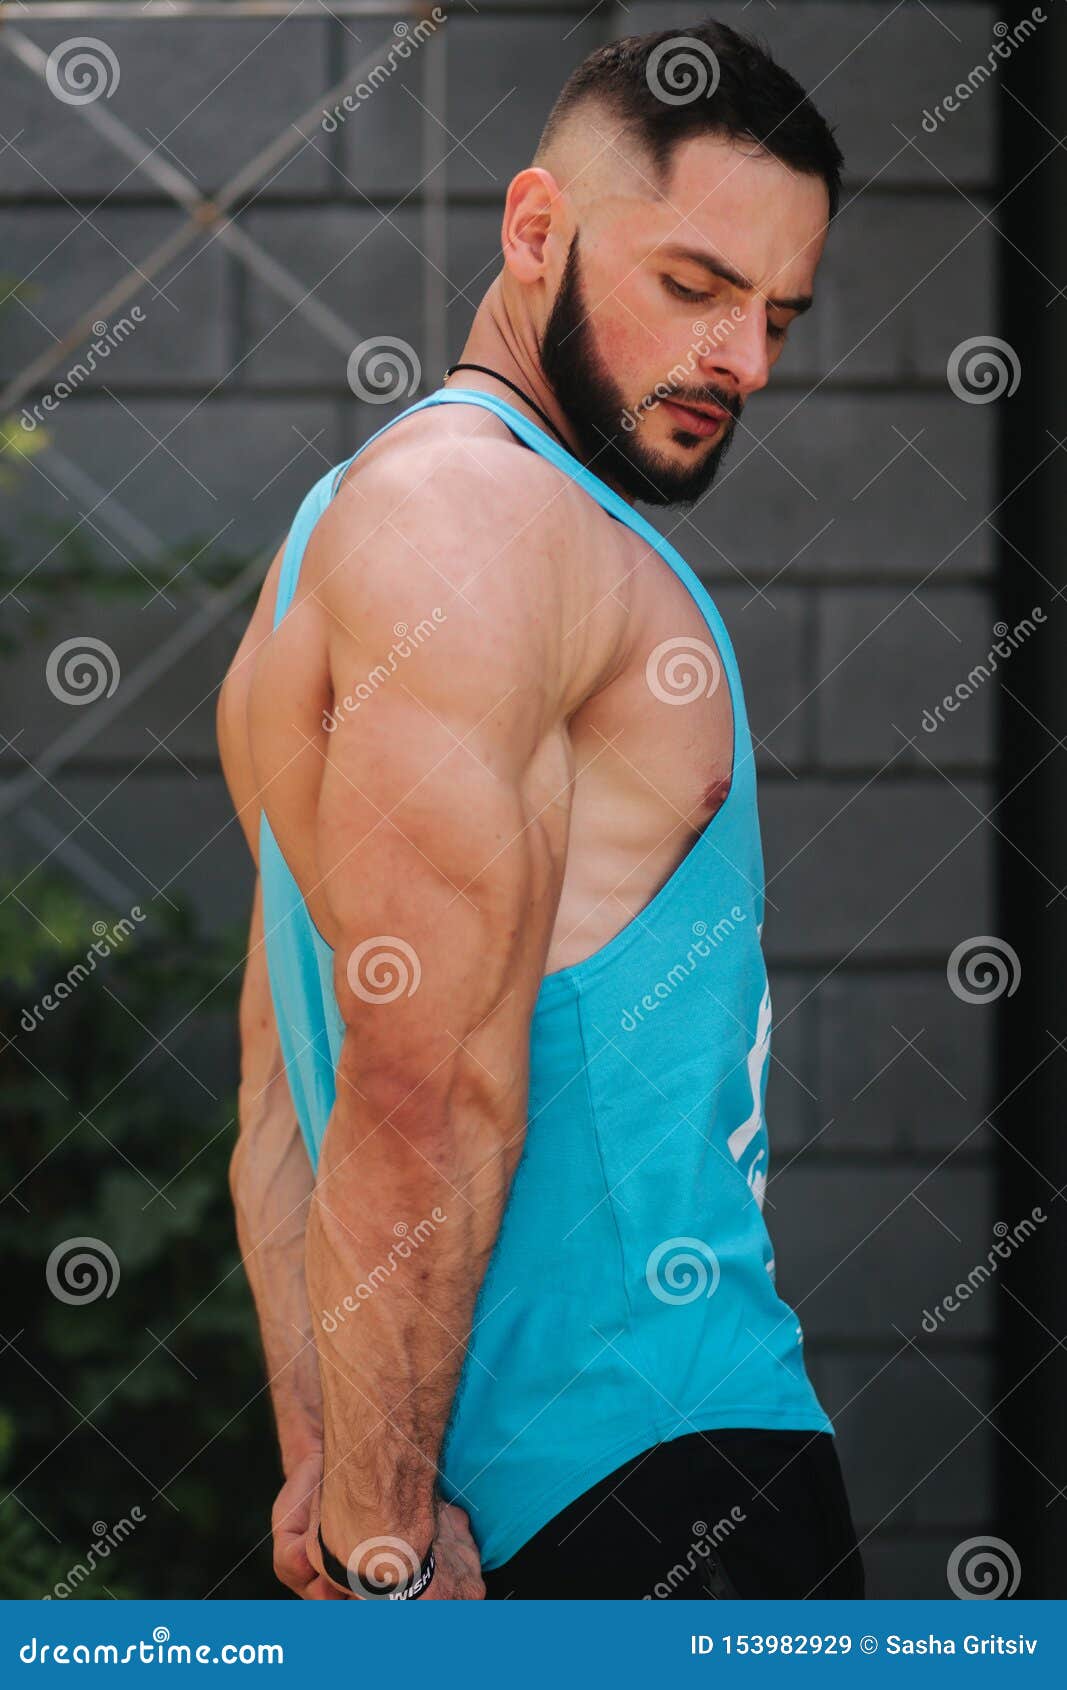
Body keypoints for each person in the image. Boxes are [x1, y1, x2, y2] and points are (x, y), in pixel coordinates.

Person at [217, 17, 864, 1600]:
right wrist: (379, 1529)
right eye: (696, 287)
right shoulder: (482, 520)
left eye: (778, 315)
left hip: (490, 1516)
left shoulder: (337, 543)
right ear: (533, 230)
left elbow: (278, 1118)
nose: (747, 362)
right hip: (664, 1482)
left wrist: (341, 1492)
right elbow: (421, 1081)